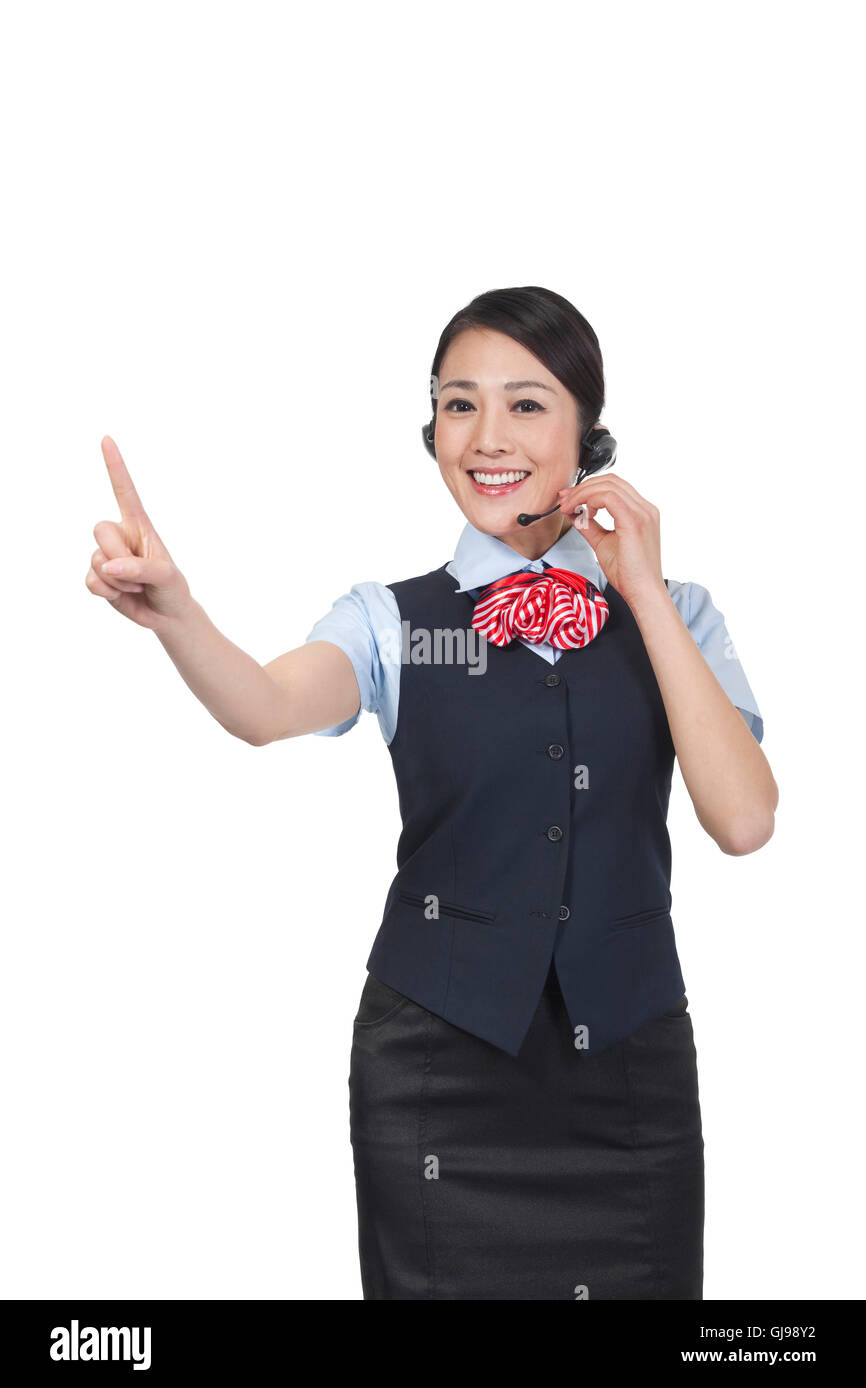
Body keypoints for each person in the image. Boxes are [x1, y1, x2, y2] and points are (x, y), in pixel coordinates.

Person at [86, 285, 778, 1301]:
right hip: (437, 1074)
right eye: (458, 404)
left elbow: (743, 818)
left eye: (526, 404)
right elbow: (268, 702)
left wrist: (639, 591)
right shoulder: (389, 619)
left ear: (590, 430)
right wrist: (179, 615)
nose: (486, 437)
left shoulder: (680, 615)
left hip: (627, 1078)